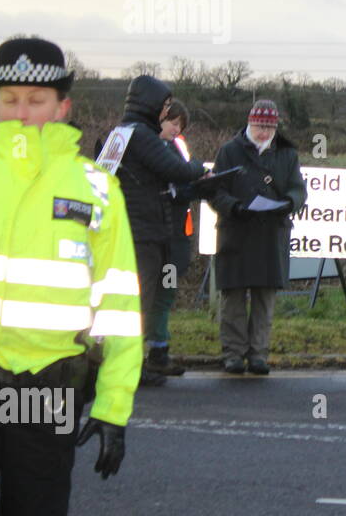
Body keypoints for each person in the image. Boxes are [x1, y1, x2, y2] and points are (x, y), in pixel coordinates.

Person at [0, 37, 141, 516]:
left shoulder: (96, 189)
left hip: (46, 392)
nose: (22, 113)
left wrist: (114, 404)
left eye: (36, 99)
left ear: (63, 105)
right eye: (10, 99)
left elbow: (117, 304)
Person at [104, 75, 208, 386]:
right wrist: (200, 167)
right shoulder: (143, 136)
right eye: (163, 107)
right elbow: (176, 169)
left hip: (125, 228)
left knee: (131, 300)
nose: (165, 113)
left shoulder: (120, 133)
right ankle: (134, 366)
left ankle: (124, 361)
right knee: (142, 301)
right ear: (150, 105)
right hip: (144, 231)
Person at [208, 100, 308, 375]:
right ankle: (233, 354)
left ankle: (258, 354)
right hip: (236, 231)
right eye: (259, 126)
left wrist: (290, 203)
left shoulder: (287, 154)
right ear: (249, 123)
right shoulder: (229, 151)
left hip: (271, 232)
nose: (264, 132)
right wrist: (234, 207)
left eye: (269, 127)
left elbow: (298, 189)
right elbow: (215, 191)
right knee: (233, 298)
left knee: (265, 299)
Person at [145, 100, 196, 376]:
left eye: (180, 125)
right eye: (172, 123)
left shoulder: (176, 148)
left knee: (165, 295)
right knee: (150, 296)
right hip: (158, 236)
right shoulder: (149, 149)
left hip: (176, 236)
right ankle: (150, 352)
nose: (176, 129)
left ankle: (159, 351)